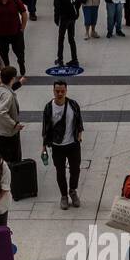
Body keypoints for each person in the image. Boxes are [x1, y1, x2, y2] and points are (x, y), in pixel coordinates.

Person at [42, 79, 84, 209]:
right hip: (57, 146)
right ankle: (64, 196)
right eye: (57, 91)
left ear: (66, 91)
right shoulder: (49, 107)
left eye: (62, 91)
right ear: (53, 91)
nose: (60, 93)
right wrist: (43, 147)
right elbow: (45, 128)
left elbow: (79, 122)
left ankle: (72, 190)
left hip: (73, 144)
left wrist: (79, 135)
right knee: (60, 172)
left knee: (75, 169)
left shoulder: (73, 104)